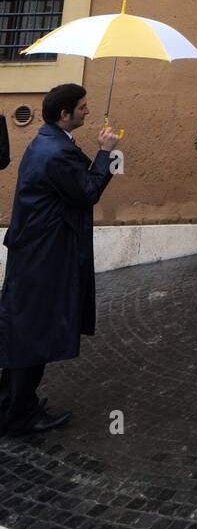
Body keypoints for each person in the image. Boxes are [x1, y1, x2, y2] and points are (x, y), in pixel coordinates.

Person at [0, 84, 119, 436]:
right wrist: (106, 153)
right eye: (81, 107)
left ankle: (12, 402)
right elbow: (86, 192)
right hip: (44, 254)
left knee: (27, 329)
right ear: (64, 114)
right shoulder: (54, 150)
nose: (87, 111)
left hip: (37, 250)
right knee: (34, 332)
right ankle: (19, 414)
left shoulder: (51, 140)